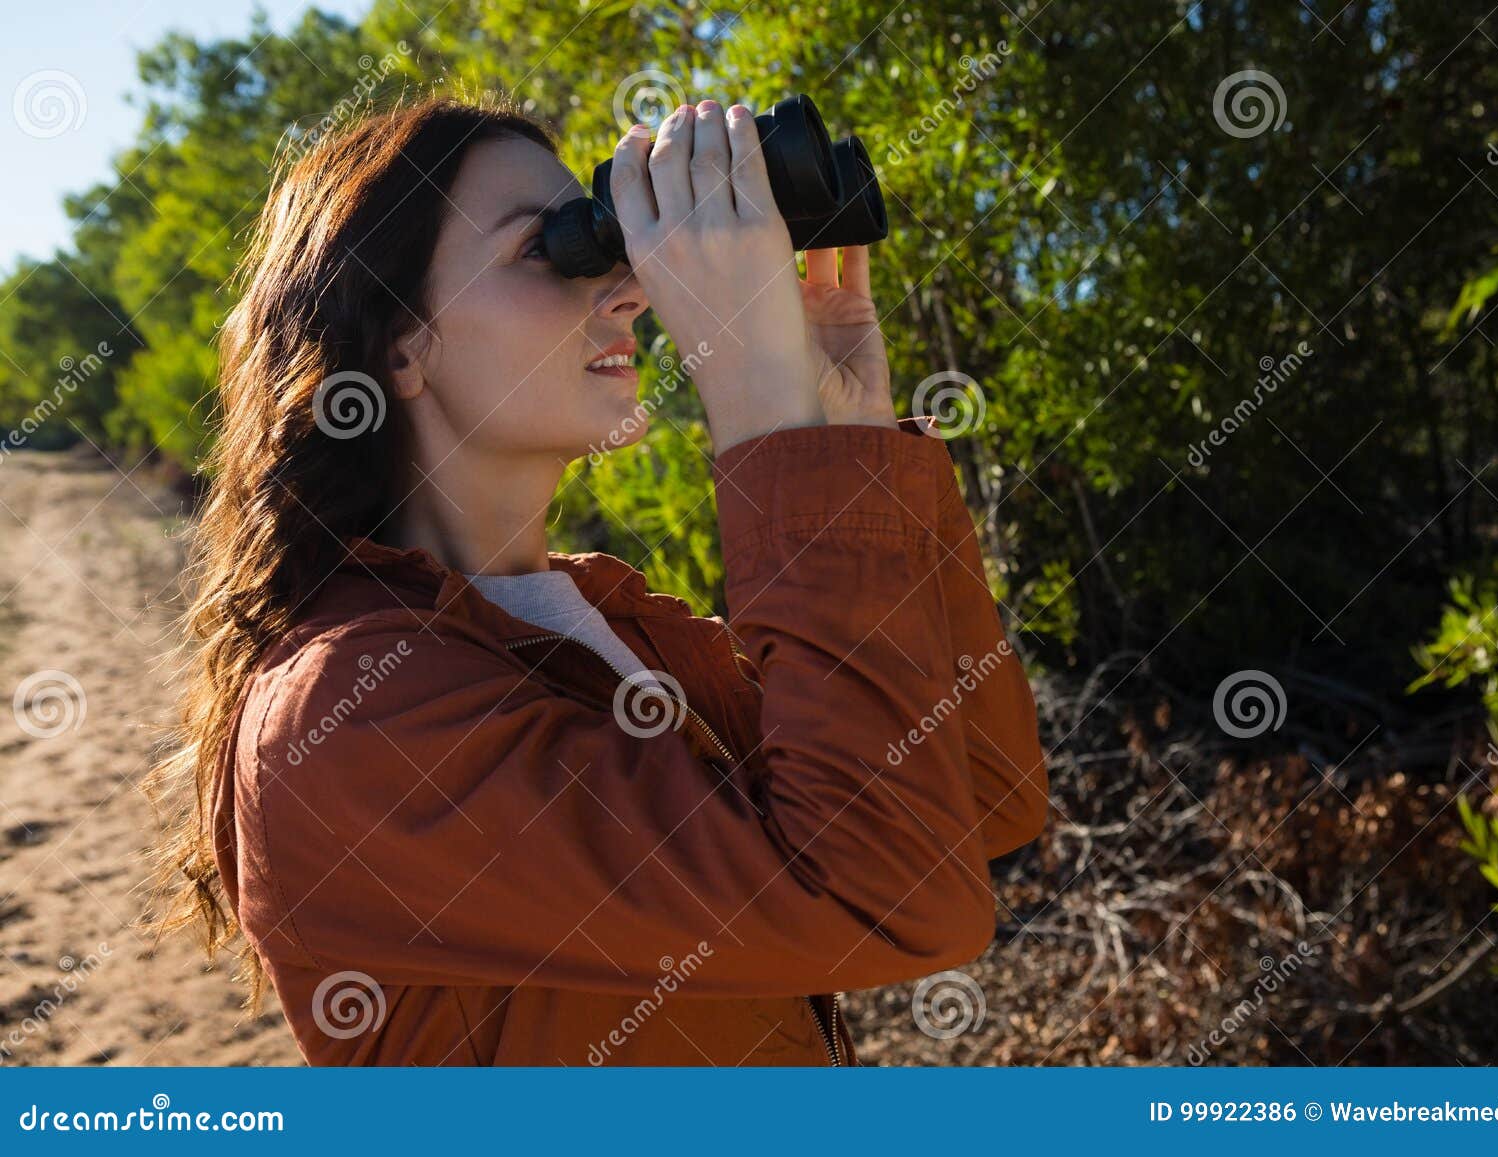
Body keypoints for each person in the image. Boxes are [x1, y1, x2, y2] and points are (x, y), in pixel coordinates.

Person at [148, 92, 1047, 1065]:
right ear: (396, 342)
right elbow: (893, 894)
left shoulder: (609, 622)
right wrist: (771, 423)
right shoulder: (343, 718)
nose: (629, 288)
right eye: (554, 248)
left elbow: (986, 796)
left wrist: (853, 437)